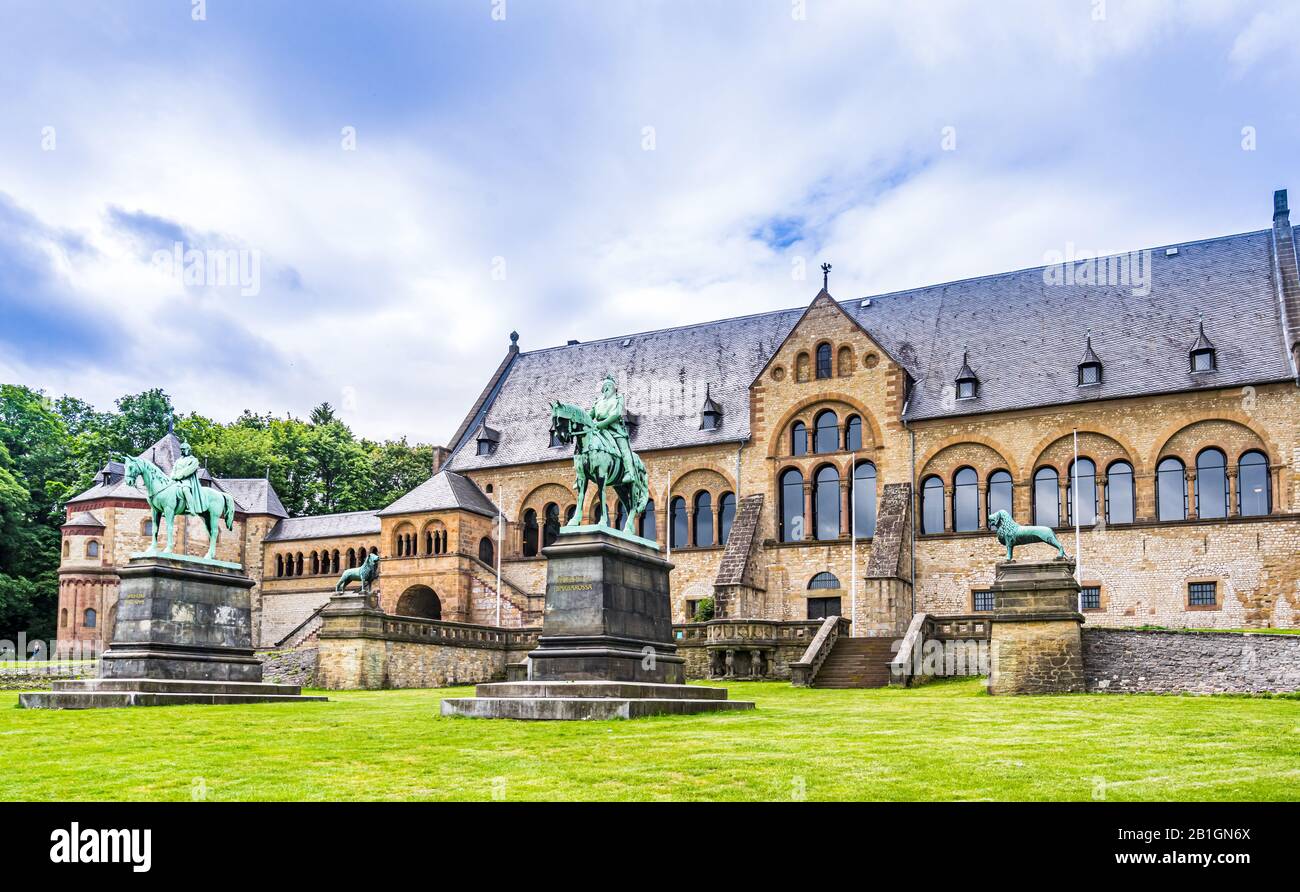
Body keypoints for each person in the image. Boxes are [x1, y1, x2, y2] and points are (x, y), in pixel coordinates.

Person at [589, 375, 636, 484]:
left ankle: (630, 473)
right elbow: (590, 415)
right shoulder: (598, 401)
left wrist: (603, 423)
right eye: (606, 385)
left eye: (610, 385)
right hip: (599, 431)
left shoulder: (619, 397)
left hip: (615, 430)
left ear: (614, 388)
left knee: (624, 448)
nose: (607, 387)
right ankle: (581, 473)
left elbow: (616, 413)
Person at [169, 441, 205, 514]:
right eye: (181, 449)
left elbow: (188, 471)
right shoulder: (178, 460)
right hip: (176, 480)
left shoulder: (193, 460)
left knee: (185, 490)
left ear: (188, 449)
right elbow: (174, 469)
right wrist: (172, 476)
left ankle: (191, 508)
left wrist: (179, 477)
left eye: (184, 449)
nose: (182, 450)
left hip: (187, 481)